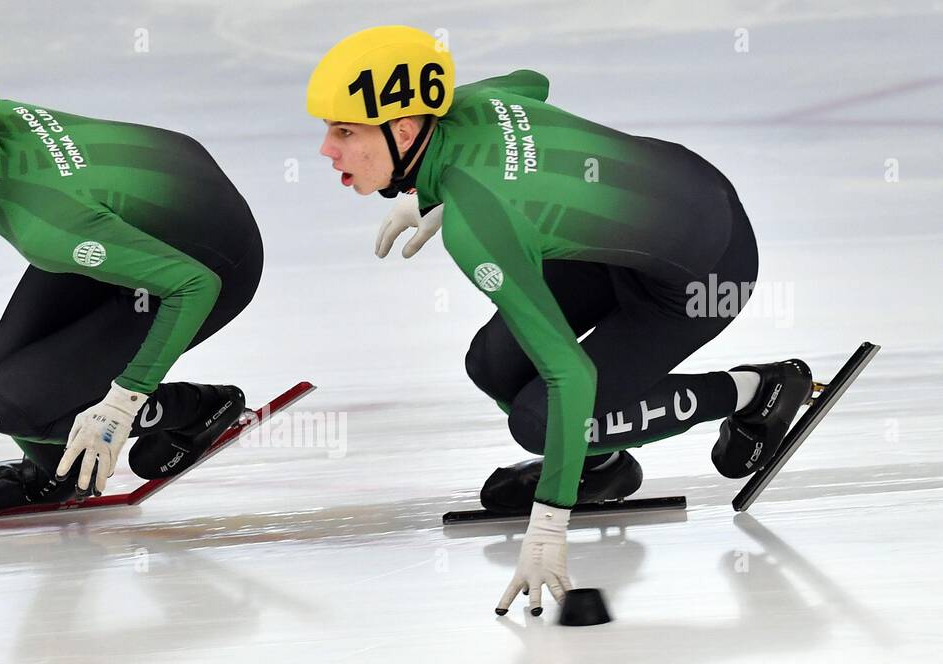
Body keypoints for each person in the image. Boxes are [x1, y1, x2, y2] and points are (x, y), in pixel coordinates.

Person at [307, 26, 813, 615]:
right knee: (494, 363)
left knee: (541, 420)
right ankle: (599, 465)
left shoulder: (479, 223)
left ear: (402, 128)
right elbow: (529, 83)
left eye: (344, 131)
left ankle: (759, 391)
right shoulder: (465, 104)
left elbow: (568, 374)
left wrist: (549, 521)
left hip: (707, 269)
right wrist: (425, 188)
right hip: (652, 219)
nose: (326, 149)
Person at [0, 61, 261, 512]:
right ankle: (61, 474)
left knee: (18, 407)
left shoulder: (45, 226)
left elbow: (194, 286)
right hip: (136, 221)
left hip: (212, 267)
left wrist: (125, 401)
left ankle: (201, 409)